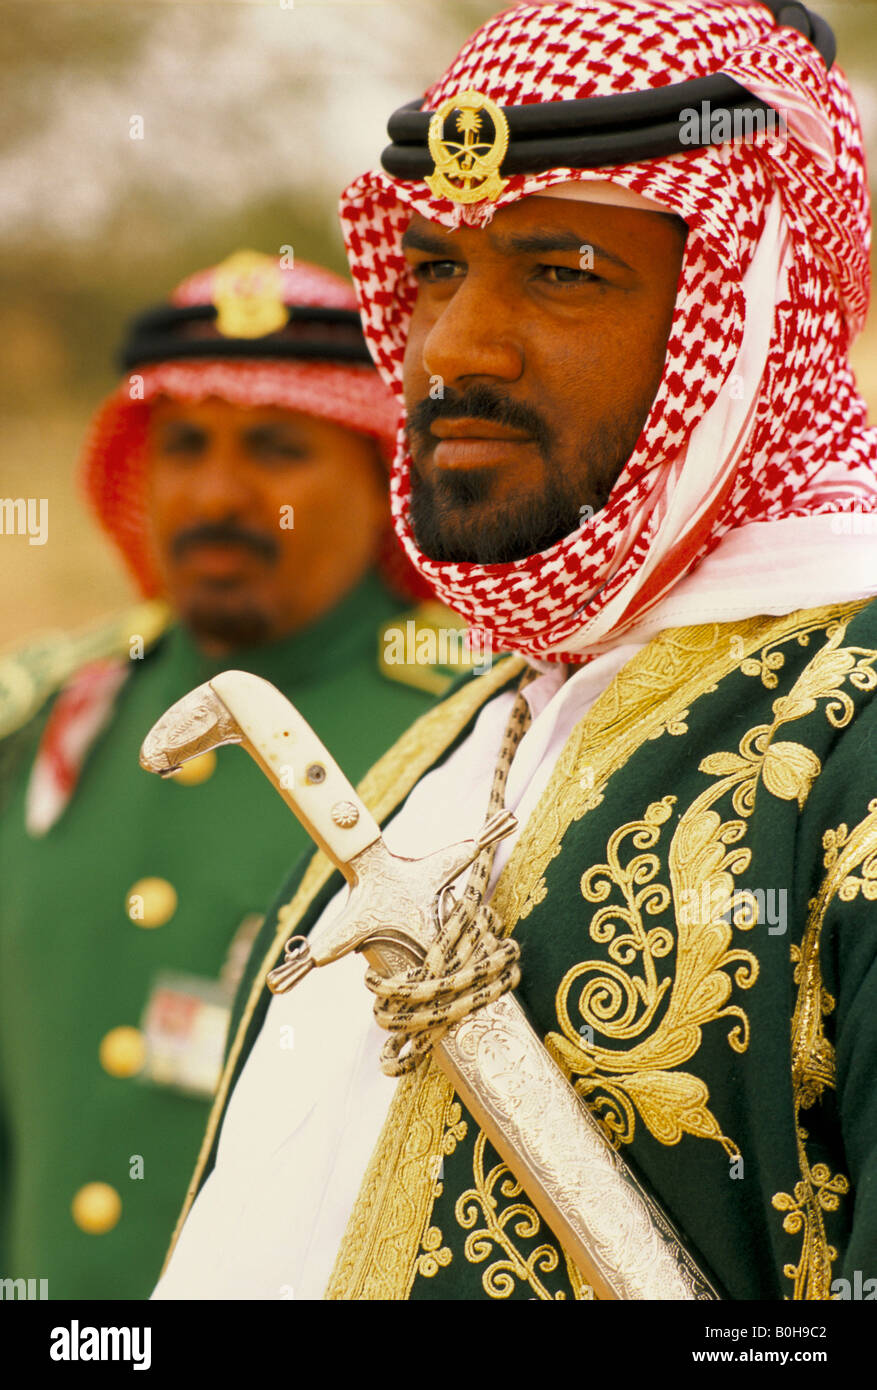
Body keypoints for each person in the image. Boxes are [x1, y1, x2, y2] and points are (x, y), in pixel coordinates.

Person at [154, 0, 877, 1302]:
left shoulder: (852, 737)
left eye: (561, 273)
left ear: (754, 308)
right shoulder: (463, 727)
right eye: (436, 267)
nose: (449, 350)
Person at [0, 250, 456, 1299]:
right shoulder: (49, 720)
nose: (218, 492)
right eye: (185, 445)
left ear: (384, 473)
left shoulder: (469, 729)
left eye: (278, 448)